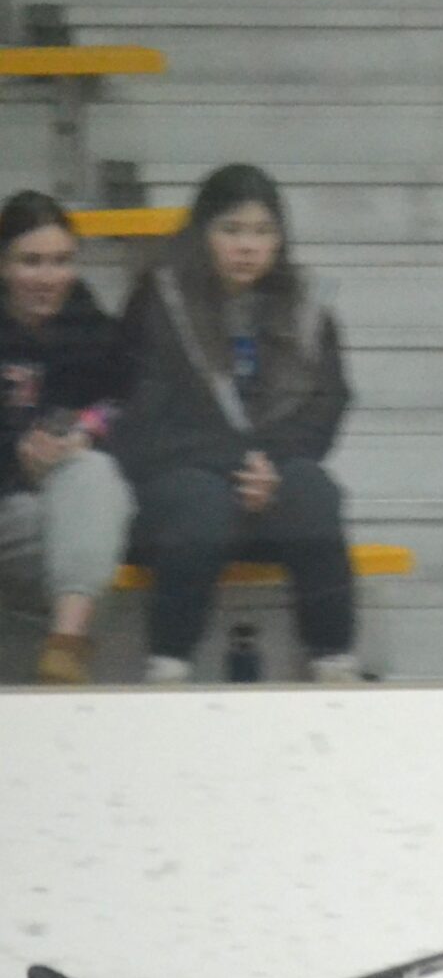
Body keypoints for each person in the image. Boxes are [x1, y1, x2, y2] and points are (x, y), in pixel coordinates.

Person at [117, 165, 357, 684]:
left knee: (313, 492)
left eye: (262, 231)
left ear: (280, 238)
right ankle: (168, 666)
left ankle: (335, 663)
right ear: (201, 232)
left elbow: (327, 402)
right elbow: (141, 418)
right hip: (180, 485)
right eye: (231, 230)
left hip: (268, 484)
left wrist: (268, 465)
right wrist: (236, 466)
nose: (246, 247)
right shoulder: (160, 299)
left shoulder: (306, 307)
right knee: (198, 504)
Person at [0, 192, 131, 685]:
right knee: (78, 528)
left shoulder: (94, 329)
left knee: (95, 474)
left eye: (61, 261)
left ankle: (66, 646)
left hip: (68, 509)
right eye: (30, 262)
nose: (48, 277)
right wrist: (17, 455)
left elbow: (128, 408)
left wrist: (85, 436)